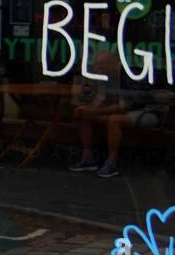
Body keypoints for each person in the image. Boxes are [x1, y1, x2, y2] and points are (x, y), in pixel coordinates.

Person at [69, 47, 166, 178]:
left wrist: (94, 111)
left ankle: (112, 162)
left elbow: (123, 107)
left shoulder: (130, 77)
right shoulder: (105, 77)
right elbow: (100, 98)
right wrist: (88, 110)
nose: (99, 70)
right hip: (123, 111)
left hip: (146, 111)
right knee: (84, 115)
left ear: (114, 65)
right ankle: (87, 157)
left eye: (102, 66)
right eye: (98, 66)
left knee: (114, 119)